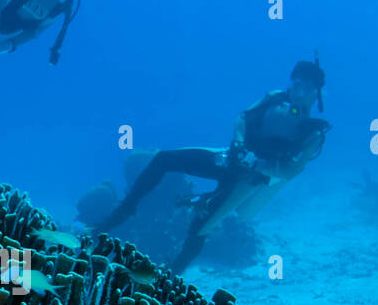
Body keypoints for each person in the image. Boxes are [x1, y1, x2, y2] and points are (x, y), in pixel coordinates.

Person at [92, 60, 331, 269]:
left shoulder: (314, 132)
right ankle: (124, 210)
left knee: (201, 227)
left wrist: (257, 164)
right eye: (296, 83)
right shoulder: (273, 98)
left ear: (316, 94)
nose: (298, 92)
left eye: (307, 88)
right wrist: (239, 144)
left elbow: (291, 171)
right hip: (230, 158)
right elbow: (243, 118)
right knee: (164, 159)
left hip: (250, 181)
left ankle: (171, 275)